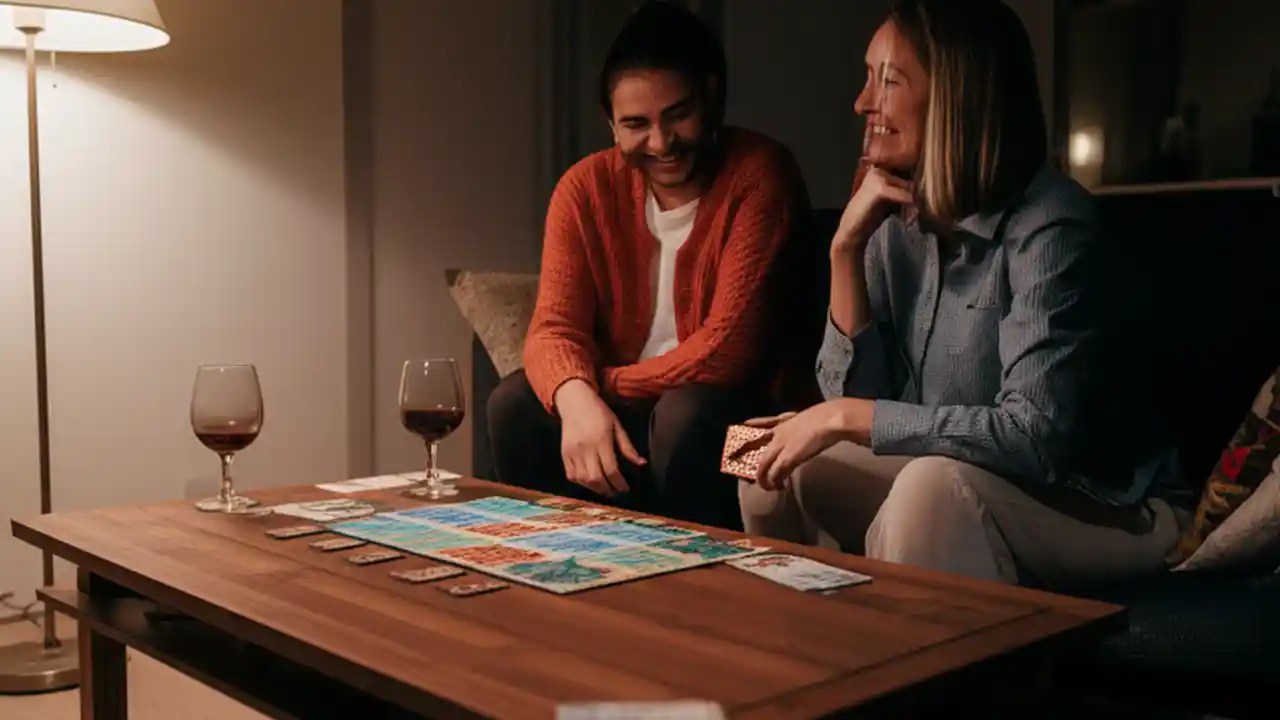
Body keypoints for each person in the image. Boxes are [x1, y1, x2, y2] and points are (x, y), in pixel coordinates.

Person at [737, 0, 1189, 592]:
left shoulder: (1050, 223)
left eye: (888, 81)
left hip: (1101, 505)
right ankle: (809, 640)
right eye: (868, 77)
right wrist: (844, 250)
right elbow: (860, 405)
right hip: (949, 476)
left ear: (956, 98)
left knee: (928, 487)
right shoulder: (889, 218)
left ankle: (928, 650)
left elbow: (1034, 438)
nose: (863, 103)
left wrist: (845, 417)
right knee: (764, 458)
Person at [487, 1, 821, 530]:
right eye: (636, 124)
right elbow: (552, 329)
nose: (662, 143)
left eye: (678, 115)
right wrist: (576, 397)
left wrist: (601, 385)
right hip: (630, 424)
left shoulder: (759, 173)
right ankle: (552, 562)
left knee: (683, 414)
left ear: (712, 96)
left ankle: (693, 574)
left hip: (755, 430)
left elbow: (726, 353)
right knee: (513, 403)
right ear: (611, 125)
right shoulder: (584, 189)